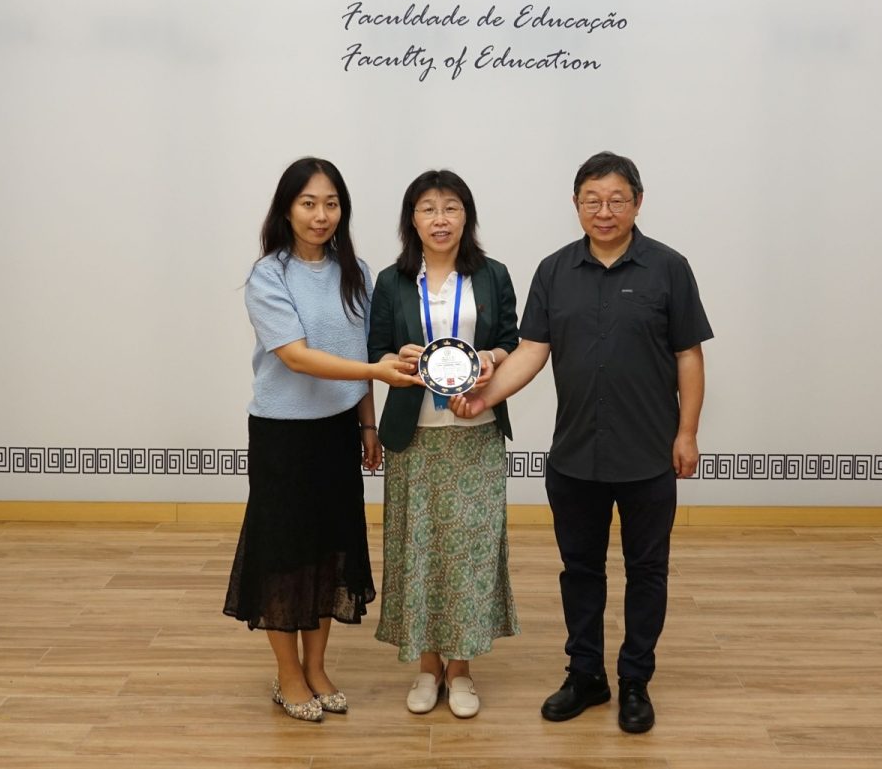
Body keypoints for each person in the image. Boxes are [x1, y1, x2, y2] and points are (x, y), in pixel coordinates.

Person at [451, 151, 711, 734]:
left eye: (617, 199)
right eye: (591, 200)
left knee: (648, 570)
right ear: (575, 206)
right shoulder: (554, 271)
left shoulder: (669, 268)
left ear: (638, 203)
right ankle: (586, 675)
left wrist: (687, 432)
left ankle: (636, 681)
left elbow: (689, 354)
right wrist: (483, 398)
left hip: (648, 454)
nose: (604, 210)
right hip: (575, 457)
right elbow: (532, 352)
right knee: (580, 569)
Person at [223, 157, 415, 723]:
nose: (320, 214)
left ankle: (318, 666)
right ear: (287, 208)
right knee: (285, 553)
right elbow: (297, 356)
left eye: (331, 203)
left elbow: (361, 356)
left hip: (336, 433)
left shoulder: (356, 271)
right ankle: (287, 676)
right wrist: (376, 374)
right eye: (309, 203)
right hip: (282, 434)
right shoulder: (268, 275)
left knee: (332, 549)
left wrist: (368, 424)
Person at [368, 169, 521, 718]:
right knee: (421, 552)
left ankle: (462, 670)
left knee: (471, 554)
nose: (440, 219)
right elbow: (378, 353)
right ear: (412, 218)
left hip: (475, 434)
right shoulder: (390, 281)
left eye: (451, 207)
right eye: (429, 208)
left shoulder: (493, 275)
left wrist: (491, 362)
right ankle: (427, 667)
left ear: (467, 216)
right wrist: (400, 360)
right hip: (415, 439)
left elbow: (512, 340)